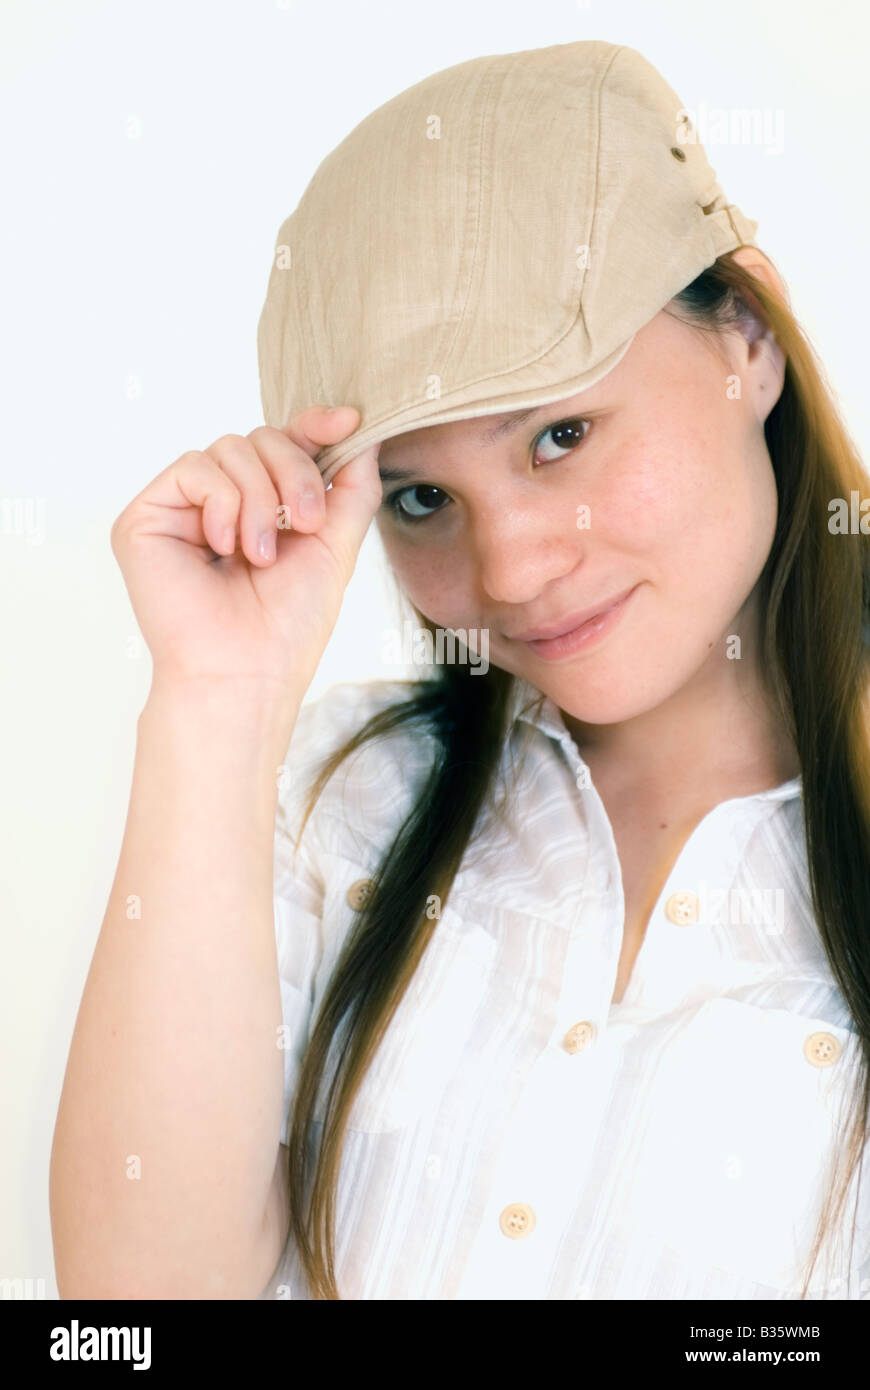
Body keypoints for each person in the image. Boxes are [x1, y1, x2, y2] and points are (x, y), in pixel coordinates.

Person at [49, 40, 870, 1301]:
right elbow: (135, 1316)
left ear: (744, 338)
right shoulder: (345, 793)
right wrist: (216, 706)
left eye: (560, 435)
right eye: (423, 495)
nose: (513, 567)